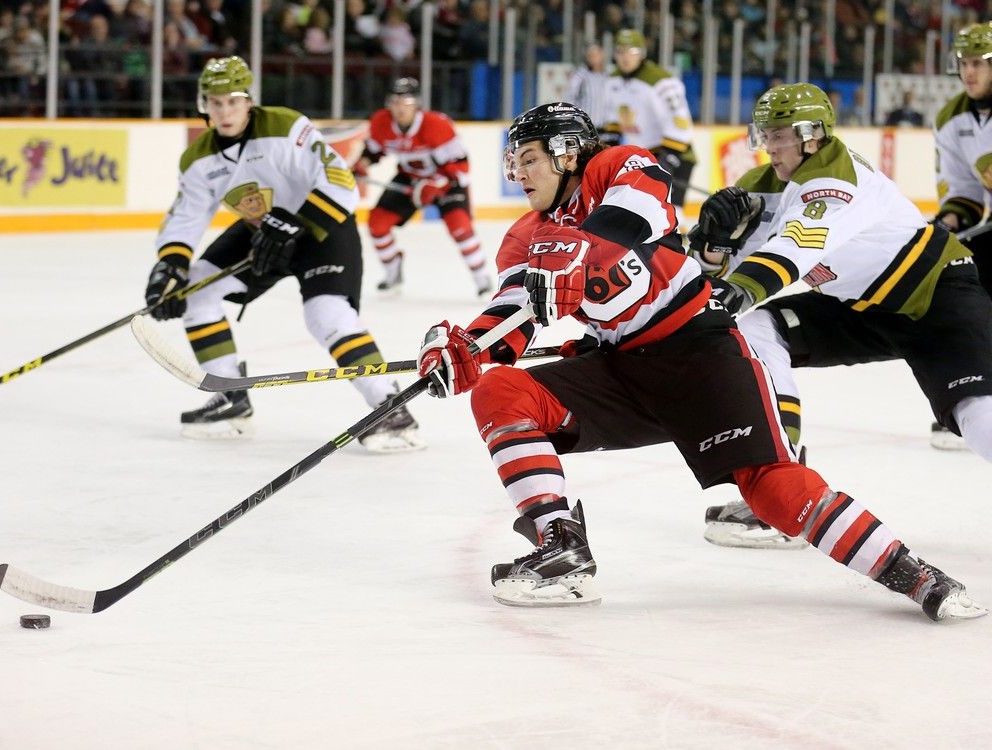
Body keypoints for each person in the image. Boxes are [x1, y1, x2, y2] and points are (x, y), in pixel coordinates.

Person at [413, 101, 986, 621]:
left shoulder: (623, 166)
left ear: (568, 152)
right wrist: (464, 349)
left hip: (701, 355)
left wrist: (575, 259)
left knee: (775, 492)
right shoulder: (525, 237)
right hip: (622, 369)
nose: (516, 175)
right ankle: (561, 549)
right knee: (501, 391)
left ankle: (915, 576)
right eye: (512, 162)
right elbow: (514, 312)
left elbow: (634, 225)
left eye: (529, 159)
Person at [688, 83, 992, 550]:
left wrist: (739, 289)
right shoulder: (759, 190)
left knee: (977, 419)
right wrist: (711, 247)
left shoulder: (837, 181)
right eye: (765, 135)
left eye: (781, 135)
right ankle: (781, 486)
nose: (770, 146)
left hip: (934, 295)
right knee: (756, 330)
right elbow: (716, 276)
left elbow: (792, 250)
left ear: (813, 136)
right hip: (858, 308)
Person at [143, 56, 423, 452]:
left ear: (249, 101)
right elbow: (185, 218)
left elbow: (339, 181)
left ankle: (390, 406)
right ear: (204, 104)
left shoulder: (284, 126)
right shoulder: (198, 158)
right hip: (263, 234)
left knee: (325, 314)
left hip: (321, 226)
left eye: (233, 102)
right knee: (196, 291)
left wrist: (296, 222)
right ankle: (230, 398)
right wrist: (169, 265)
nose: (225, 112)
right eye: (216, 102)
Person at [355, 77, 492, 297]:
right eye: (395, 101)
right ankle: (393, 273)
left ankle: (482, 277)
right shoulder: (381, 122)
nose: (400, 108)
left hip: (446, 181)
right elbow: (373, 151)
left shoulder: (436, 125)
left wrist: (437, 185)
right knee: (377, 223)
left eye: (406, 102)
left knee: (460, 228)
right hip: (409, 178)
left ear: (417, 103)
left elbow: (461, 166)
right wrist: (361, 166)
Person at [931, 21, 992, 449]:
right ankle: (972, 395)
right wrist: (947, 224)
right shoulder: (952, 118)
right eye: (964, 63)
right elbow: (966, 192)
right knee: (966, 288)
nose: (969, 72)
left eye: (979, 63)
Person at [601, 28, 696, 218]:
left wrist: (670, 155)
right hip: (643, 156)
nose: (625, 58)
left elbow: (680, 122)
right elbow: (612, 120)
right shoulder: (612, 80)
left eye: (632, 52)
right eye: (620, 52)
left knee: (670, 214)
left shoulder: (661, 81)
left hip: (675, 154)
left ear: (642, 53)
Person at [565, 42, 609, 128]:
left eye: (596, 54)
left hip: (605, 127)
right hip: (585, 126)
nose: (594, 57)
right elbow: (570, 98)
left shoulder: (608, 75)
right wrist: (576, 120)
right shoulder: (580, 75)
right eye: (591, 55)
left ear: (602, 55)